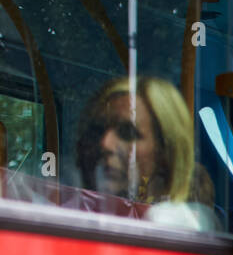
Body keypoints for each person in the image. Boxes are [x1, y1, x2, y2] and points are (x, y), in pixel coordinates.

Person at [74, 76, 215, 229]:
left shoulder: (173, 228)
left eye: (128, 133)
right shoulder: (74, 211)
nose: (105, 143)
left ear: (165, 152)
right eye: (98, 130)